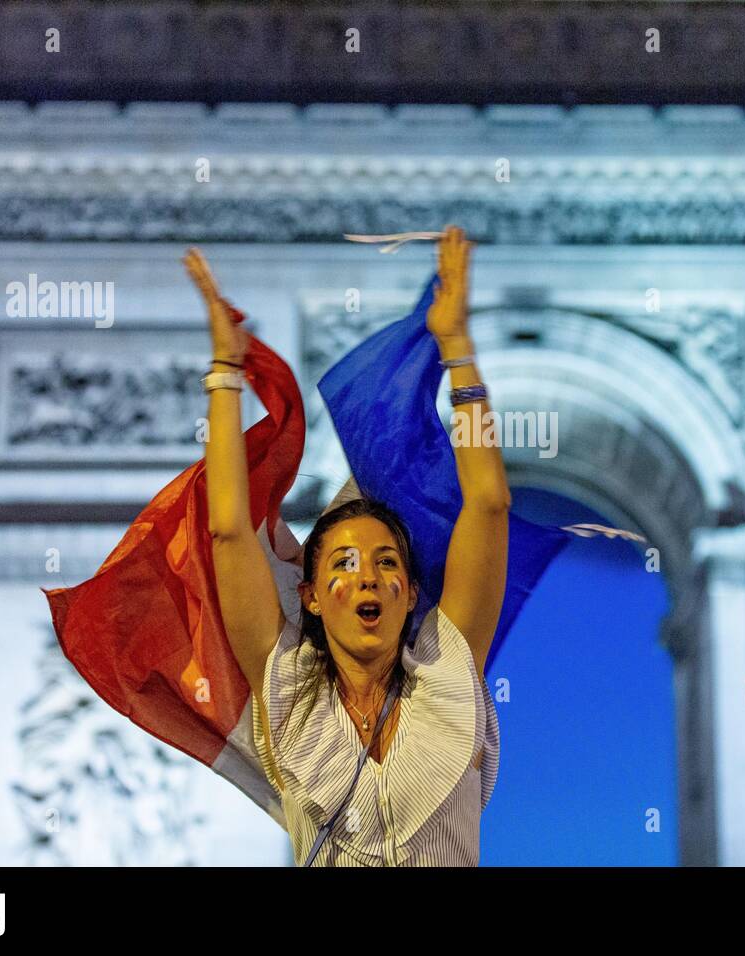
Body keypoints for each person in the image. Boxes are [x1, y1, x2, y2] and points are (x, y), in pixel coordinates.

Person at [182, 226, 510, 866]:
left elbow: (489, 508)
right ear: (307, 595)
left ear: (411, 591)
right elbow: (227, 530)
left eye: (387, 562)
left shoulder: (449, 670)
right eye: (344, 563)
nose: (366, 578)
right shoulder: (289, 691)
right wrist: (224, 372)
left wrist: (457, 349)